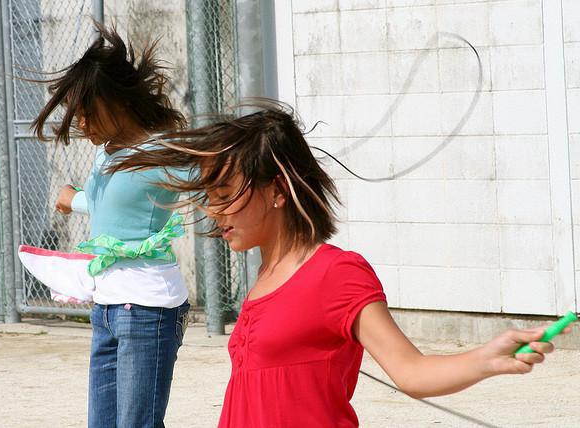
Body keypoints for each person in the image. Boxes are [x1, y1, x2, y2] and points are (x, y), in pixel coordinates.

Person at [111, 101, 575, 427]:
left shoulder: (338, 273)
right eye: (209, 198)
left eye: (225, 196)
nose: (213, 212)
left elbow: (410, 372)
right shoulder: (263, 278)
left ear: (276, 190)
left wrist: (484, 359)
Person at [28, 24, 189, 428]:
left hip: (148, 308)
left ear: (113, 101)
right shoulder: (107, 151)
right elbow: (113, 206)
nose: (80, 124)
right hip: (107, 307)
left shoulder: (164, 152)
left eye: (85, 111)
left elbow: (216, 180)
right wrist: (75, 199)